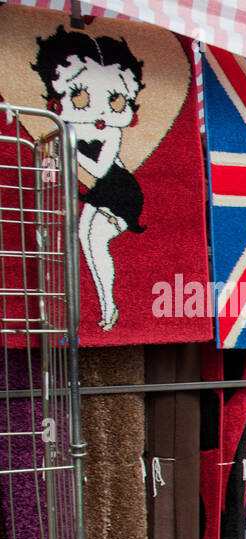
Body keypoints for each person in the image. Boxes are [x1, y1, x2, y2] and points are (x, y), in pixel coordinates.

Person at [33, 25, 147, 332]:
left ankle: (109, 307)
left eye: (116, 101)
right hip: (97, 195)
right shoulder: (68, 128)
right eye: (82, 96)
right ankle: (104, 307)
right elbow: (50, 168)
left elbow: (99, 171)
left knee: (95, 241)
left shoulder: (109, 132)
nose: (99, 109)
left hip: (120, 193)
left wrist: (68, 151)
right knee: (85, 240)